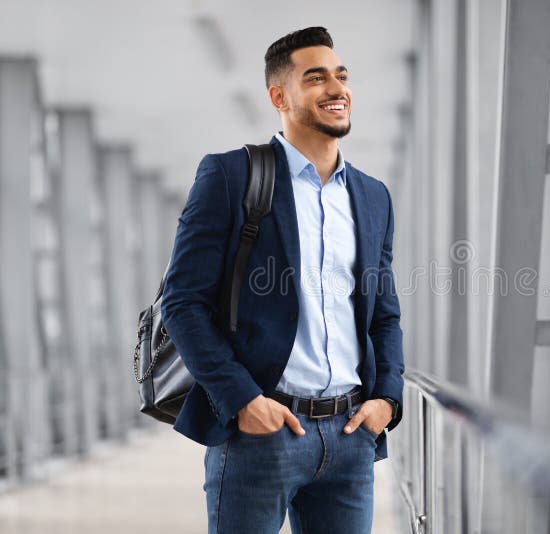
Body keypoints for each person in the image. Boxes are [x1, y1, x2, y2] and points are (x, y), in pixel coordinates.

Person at [161, 26, 404, 534]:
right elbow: (183, 303)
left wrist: (387, 400)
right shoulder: (231, 176)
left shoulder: (372, 195)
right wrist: (243, 402)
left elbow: (383, 313)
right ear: (279, 96)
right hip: (262, 434)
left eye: (341, 76)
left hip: (351, 435)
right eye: (316, 78)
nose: (336, 89)